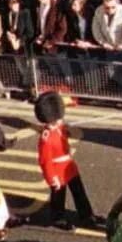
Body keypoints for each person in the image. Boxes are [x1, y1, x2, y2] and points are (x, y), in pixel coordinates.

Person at [35, 91, 96, 228]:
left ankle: (86, 215)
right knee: (58, 197)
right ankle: (58, 218)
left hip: (69, 166)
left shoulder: (59, 128)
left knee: (79, 192)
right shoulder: (46, 138)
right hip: (57, 171)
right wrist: (52, 178)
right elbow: (45, 161)